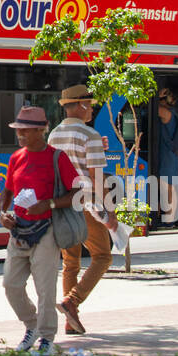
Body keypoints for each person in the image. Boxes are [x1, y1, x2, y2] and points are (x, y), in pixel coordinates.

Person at [0, 105, 80, 355]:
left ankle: (46, 338)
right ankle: (31, 325)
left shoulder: (57, 158)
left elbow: (78, 193)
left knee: (45, 289)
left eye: (26, 130)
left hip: (47, 230)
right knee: (10, 284)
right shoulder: (16, 158)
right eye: (18, 130)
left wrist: (49, 203)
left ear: (42, 130)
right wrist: (2, 213)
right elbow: (8, 190)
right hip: (19, 231)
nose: (21, 135)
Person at [50, 84, 117, 335]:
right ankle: (72, 301)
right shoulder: (90, 136)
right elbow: (96, 177)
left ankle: (71, 322)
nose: (93, 109)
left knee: (70, 263)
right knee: (102, 257)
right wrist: (109, 211)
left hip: (64, 205)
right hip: (87, 204)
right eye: (91, 105)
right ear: (81, 105)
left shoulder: (53, 135)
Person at [153, 88, 178, 227]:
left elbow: (153, 108)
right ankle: (168, 218)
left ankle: (169, 219)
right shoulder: (174, 114)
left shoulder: (167, 114)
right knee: (167, 188)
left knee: (167, 189)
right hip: (169, 156)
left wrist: (155, 97)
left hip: (167, 157)